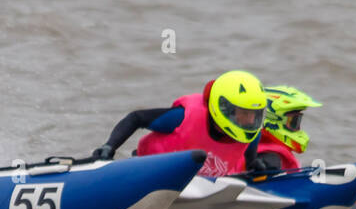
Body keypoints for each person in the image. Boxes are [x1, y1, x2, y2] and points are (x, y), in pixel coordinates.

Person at [93, 71, 268, 177]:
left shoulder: (250, 136)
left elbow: (249, 162)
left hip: (201, 188)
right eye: (244, 114)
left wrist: (255, 167)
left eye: (255, 115)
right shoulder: (183, 118)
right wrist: (109, 147)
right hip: (148, 173)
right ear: (223, 107)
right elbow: (136, 118)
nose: (251, 121)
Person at [255, 85, 322, 170]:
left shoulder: (259, 148)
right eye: (293, 122)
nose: (297, 128)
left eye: (297, 121)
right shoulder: (269, 157)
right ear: (273, 119)